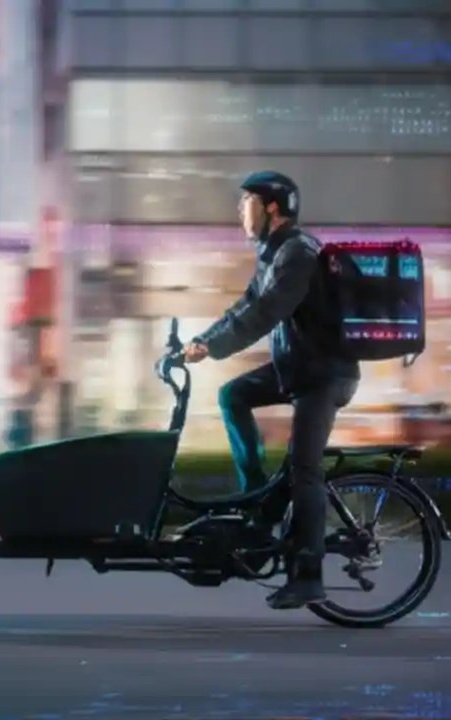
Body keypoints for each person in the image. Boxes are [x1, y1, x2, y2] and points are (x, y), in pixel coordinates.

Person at [182, 171, 360, 610]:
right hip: (297, 369)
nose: (240, 212)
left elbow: (267, 311)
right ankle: (259, 504)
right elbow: (244, 306)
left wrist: (217, 347)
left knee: (305, 468)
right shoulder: (274, 253)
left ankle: (309, 574)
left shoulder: (298, 253)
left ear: (272, 208)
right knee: (232, 396)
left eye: (247, 203)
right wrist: (202, 340)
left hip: (324, 376)